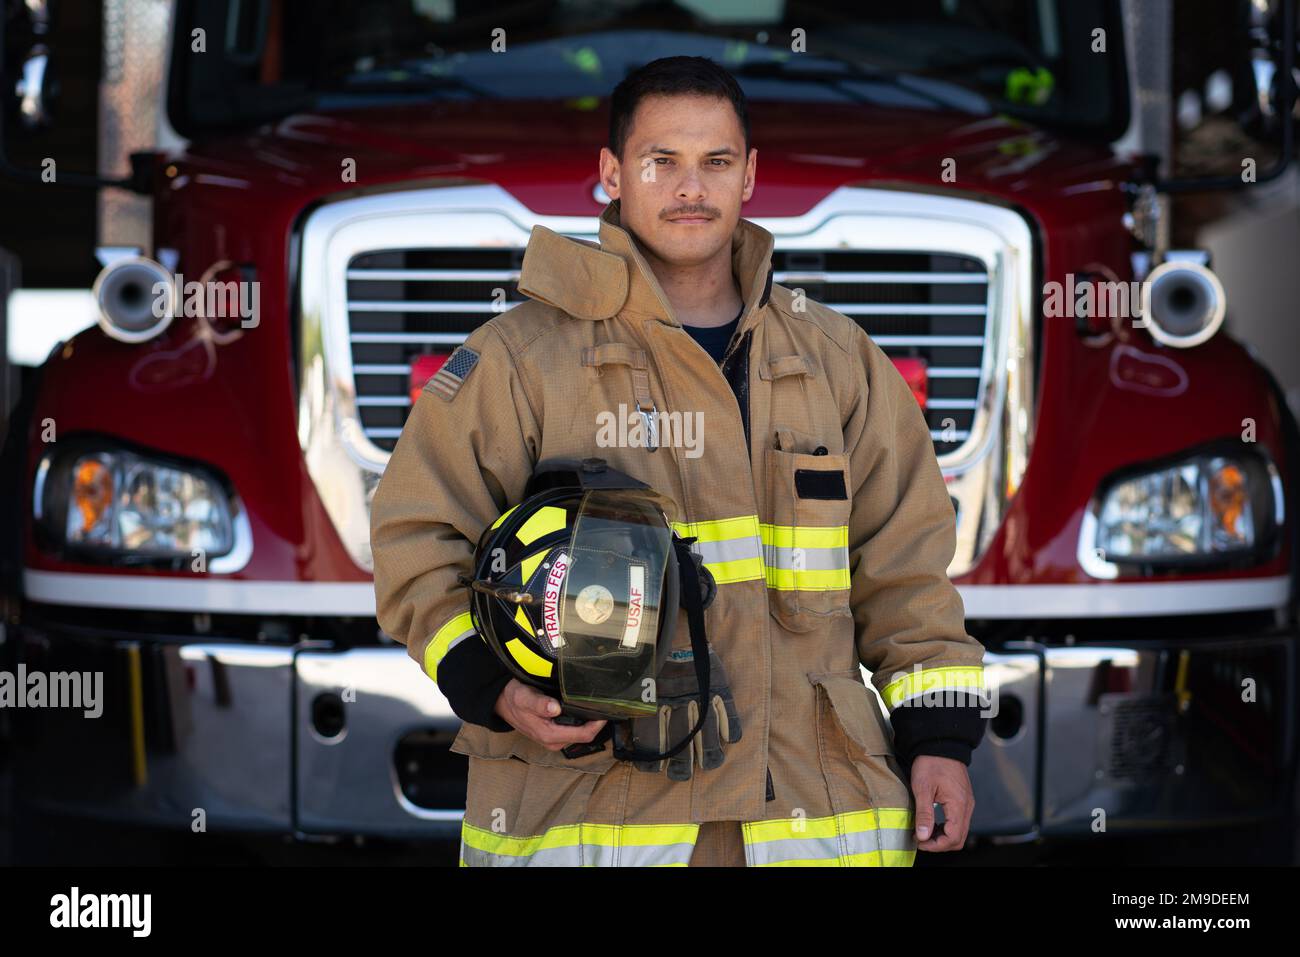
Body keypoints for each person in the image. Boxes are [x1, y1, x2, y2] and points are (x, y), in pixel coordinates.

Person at [370, 55, 988, 867]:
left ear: (750, 176)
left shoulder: (837, 360)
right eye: (662, 162)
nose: (690, 188)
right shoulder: (519, 361)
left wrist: (939, 735)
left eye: (716, 162)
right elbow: (416, 538)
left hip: (809, 819)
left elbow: (906, 572)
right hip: (595, 815)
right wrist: (490, 684)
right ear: (612, 173)